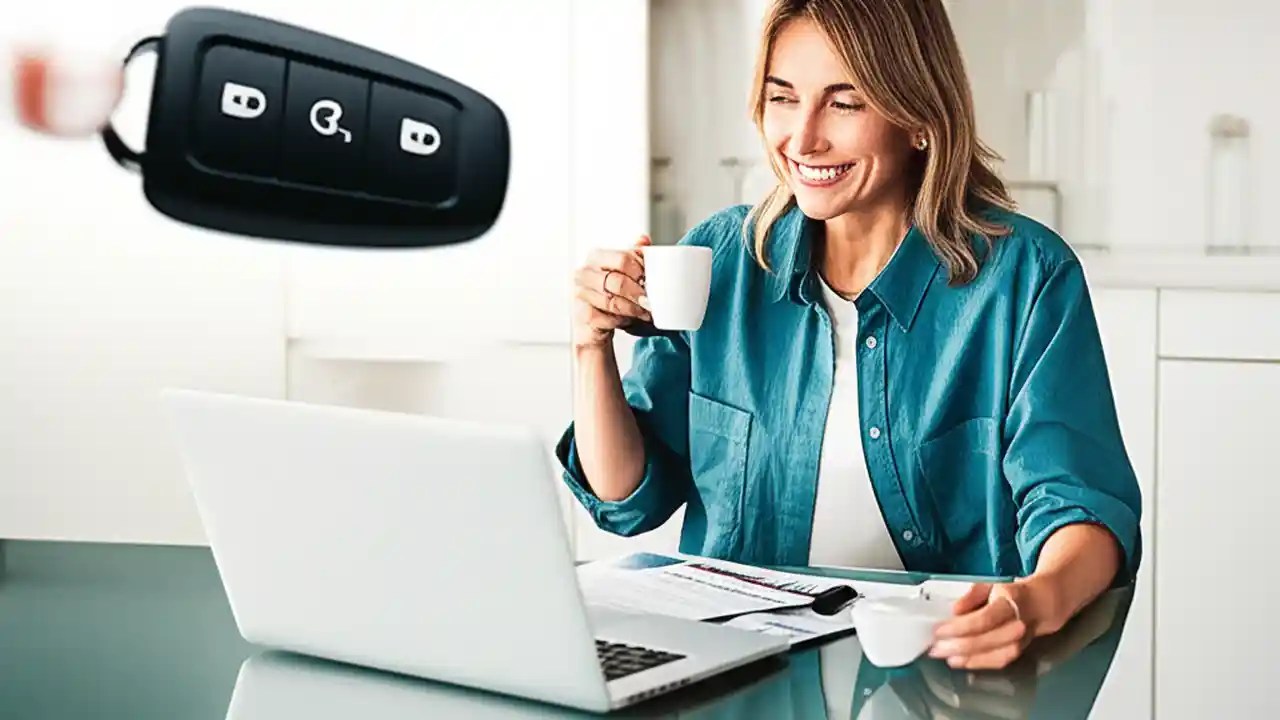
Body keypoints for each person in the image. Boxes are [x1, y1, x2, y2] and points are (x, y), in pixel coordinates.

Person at [559, 0, 1142, 671]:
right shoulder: (720, 259)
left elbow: (1081, 507)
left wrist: (1032, 602)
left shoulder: (1023, 276)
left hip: (943, 674)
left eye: (844, 103)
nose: (802, 139)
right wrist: (590, 347)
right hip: (743, 674)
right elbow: (625, 500)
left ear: (918, 118)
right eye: (783, 98)